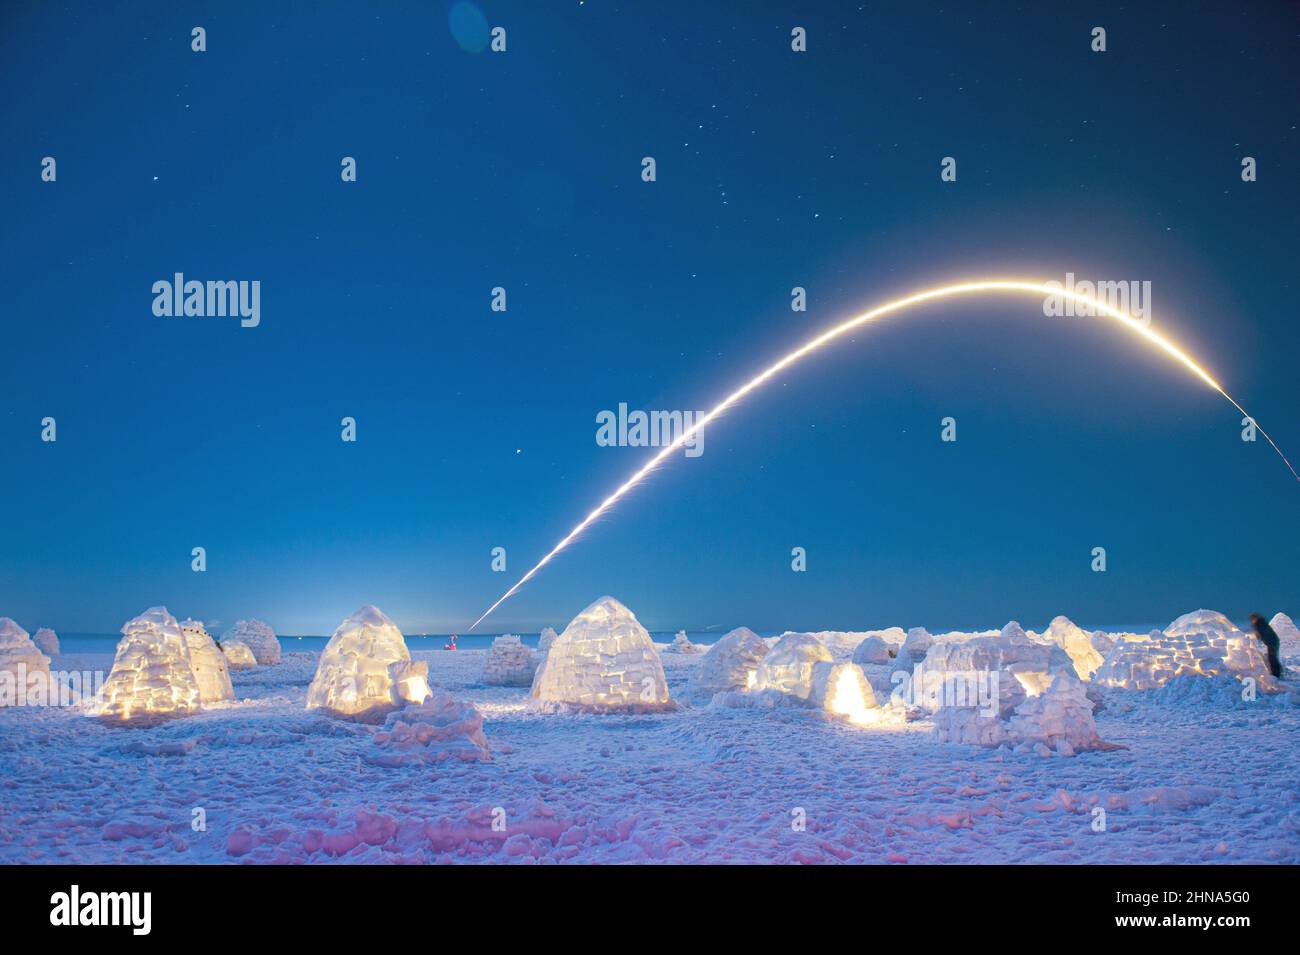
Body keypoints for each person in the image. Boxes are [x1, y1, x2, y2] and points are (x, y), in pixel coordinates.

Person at [1249, 613, 1282, 678]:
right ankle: (1276, 673)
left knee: (1272, 658)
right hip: (1272, 641)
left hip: (1272, 642)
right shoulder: (1261, 623)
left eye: (1252, 619)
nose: (1252, 621)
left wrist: (1254, 635)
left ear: (1255, 618)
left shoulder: (1259, 624)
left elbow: (1260, 634)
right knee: (1272, 658)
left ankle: (1276, 674)